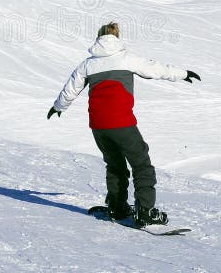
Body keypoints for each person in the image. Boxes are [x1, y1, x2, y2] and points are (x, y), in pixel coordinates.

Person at [47, 22, 200, 227]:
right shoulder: (126, 58)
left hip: (98, 125)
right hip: (121, 122)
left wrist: (58, 107)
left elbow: (70, 89)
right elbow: (156, 69)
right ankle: (145, 212)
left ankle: (117, 206)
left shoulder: (88, 64)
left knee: (115, 164)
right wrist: (183, 73)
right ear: (117, 37)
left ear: (98, 38)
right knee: (141, 164)